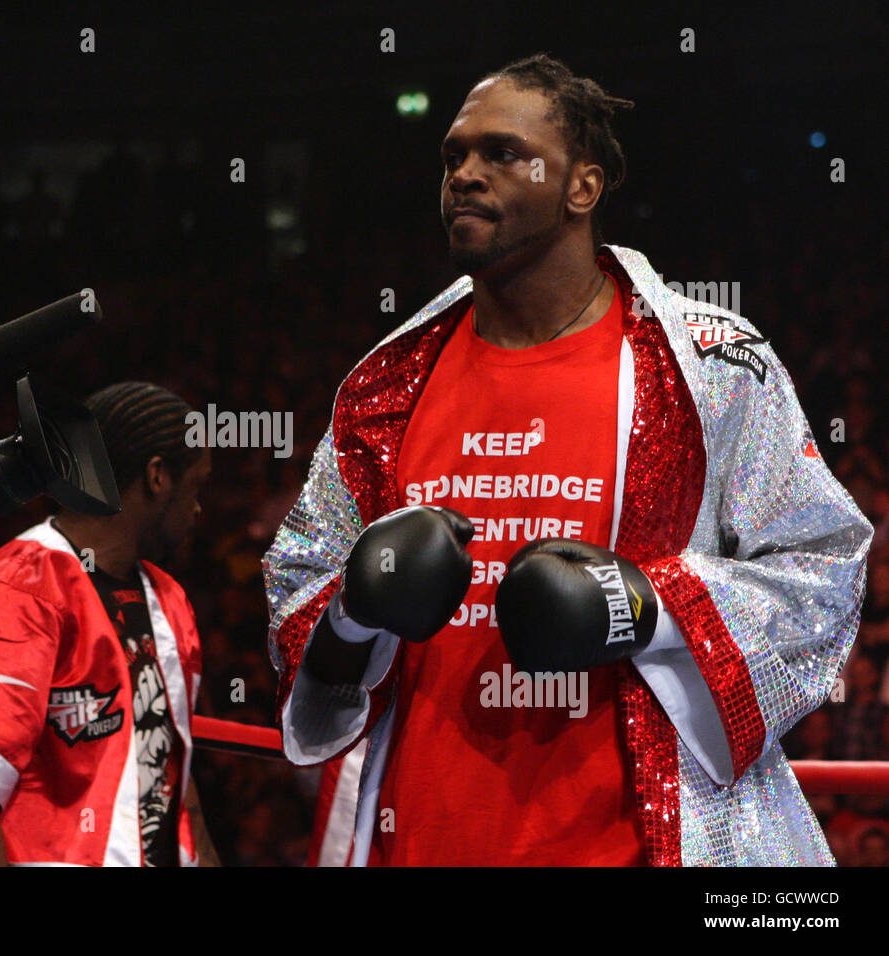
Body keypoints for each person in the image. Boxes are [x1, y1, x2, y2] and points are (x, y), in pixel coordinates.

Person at [264, 54, 872, 866]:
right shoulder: (386, 386)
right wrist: (354, 609)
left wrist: (646, 606)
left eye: (502, 154)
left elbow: (824, 568)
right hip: (420, 837)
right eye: (453, 156)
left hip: (634, 844)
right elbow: (299, 593)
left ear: (582, 187)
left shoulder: (710, 365)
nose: (465, 176)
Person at [0, 381, 220, 866]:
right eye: (196, 487)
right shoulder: (19, 588)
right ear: (157, 476)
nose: (199, 509)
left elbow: (174, 781)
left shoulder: (170, 600)